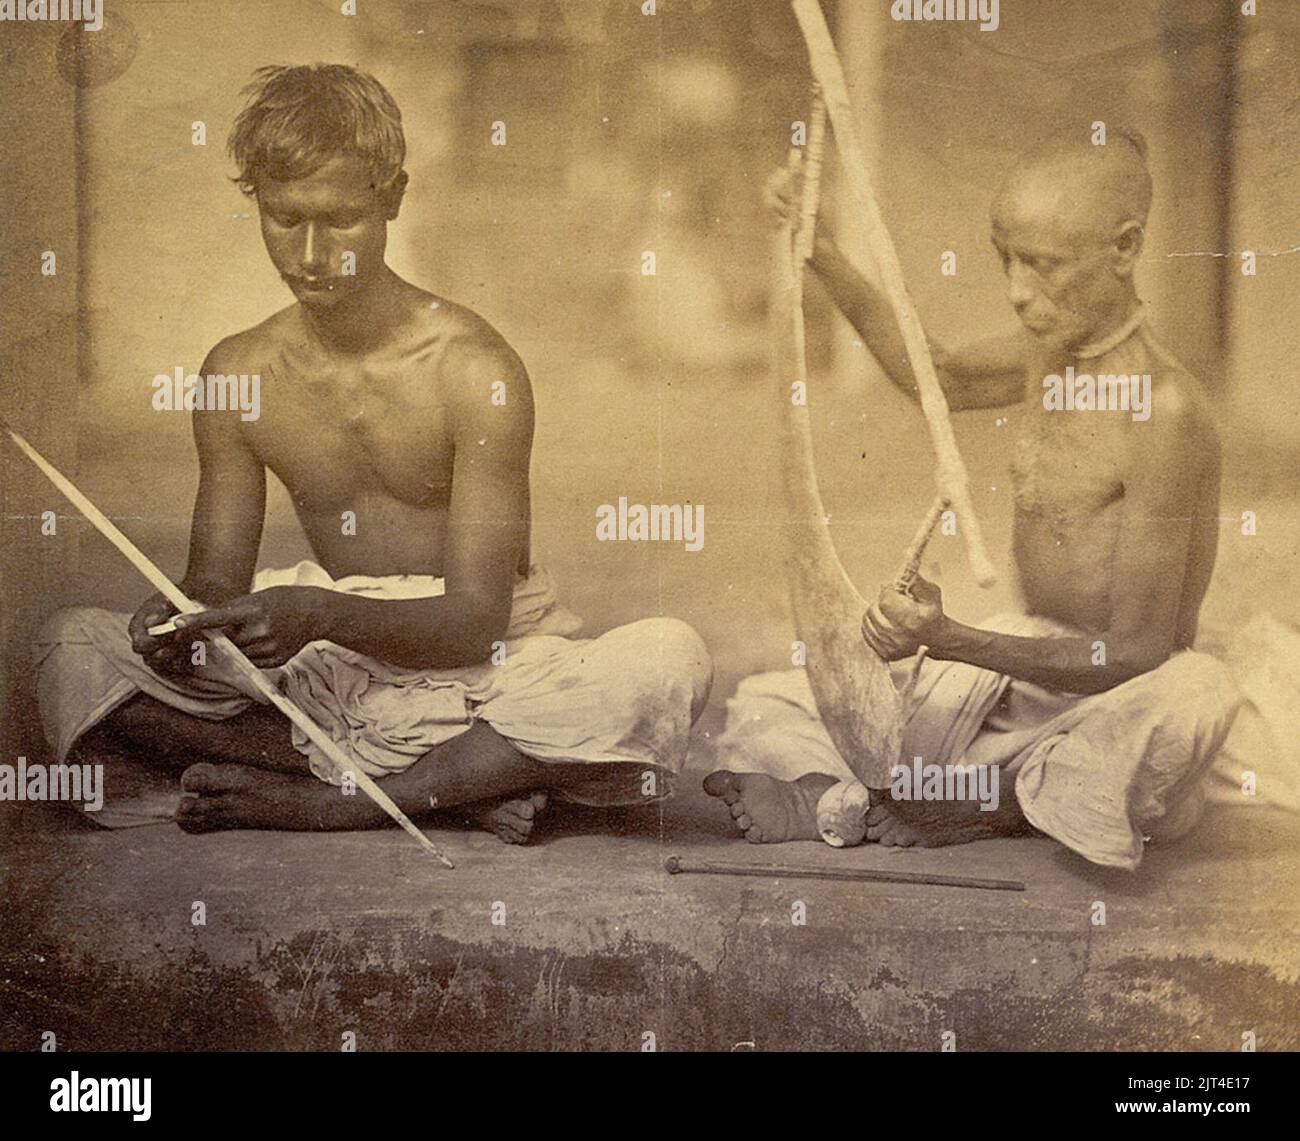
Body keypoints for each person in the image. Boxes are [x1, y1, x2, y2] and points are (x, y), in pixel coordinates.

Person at [35, 64, 712, 842]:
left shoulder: (474, 368)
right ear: (256, 202)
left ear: (391, 196)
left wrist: (320, 613)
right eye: (286, 220)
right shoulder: (237, 372)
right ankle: (455, 785)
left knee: (667, 657)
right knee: (70, 643)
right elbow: (214, 575)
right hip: (332, 667)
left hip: (492, 658)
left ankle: (334, 801)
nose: (314, 253)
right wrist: (182, 616)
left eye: (341, 219)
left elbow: (476, 622)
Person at [706, 129, 1241, 869]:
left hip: (1118, 695)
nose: (1018, 290)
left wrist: (950, 638)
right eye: (1006, 258)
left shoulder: (1166, 411)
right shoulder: (1048, 352)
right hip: (1014, 680)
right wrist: (820, 247)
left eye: (1044, 265)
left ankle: (987, 801)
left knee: (1197, 699)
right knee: (773, 700)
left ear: (1124, 248)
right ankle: (845, 797)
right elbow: (941, 375)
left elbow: (1139, 651)